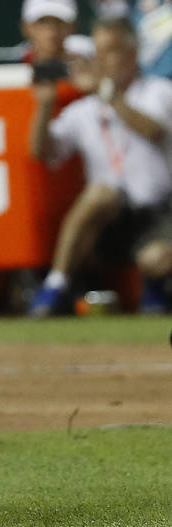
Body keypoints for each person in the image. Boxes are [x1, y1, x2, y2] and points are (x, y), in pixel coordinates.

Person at [29, 17, 172, 315]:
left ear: (132, 53)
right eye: (98, 51)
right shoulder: (83, 108)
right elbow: (41, 152)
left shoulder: (158, 92)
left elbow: (153, 130)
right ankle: (56, 284)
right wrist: (44, 105)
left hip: (155, 213)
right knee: (101, 194)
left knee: (157, 256)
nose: (101, 60)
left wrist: (106, 93)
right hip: (105, 221)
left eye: (110, 51)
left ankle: (155, 286)